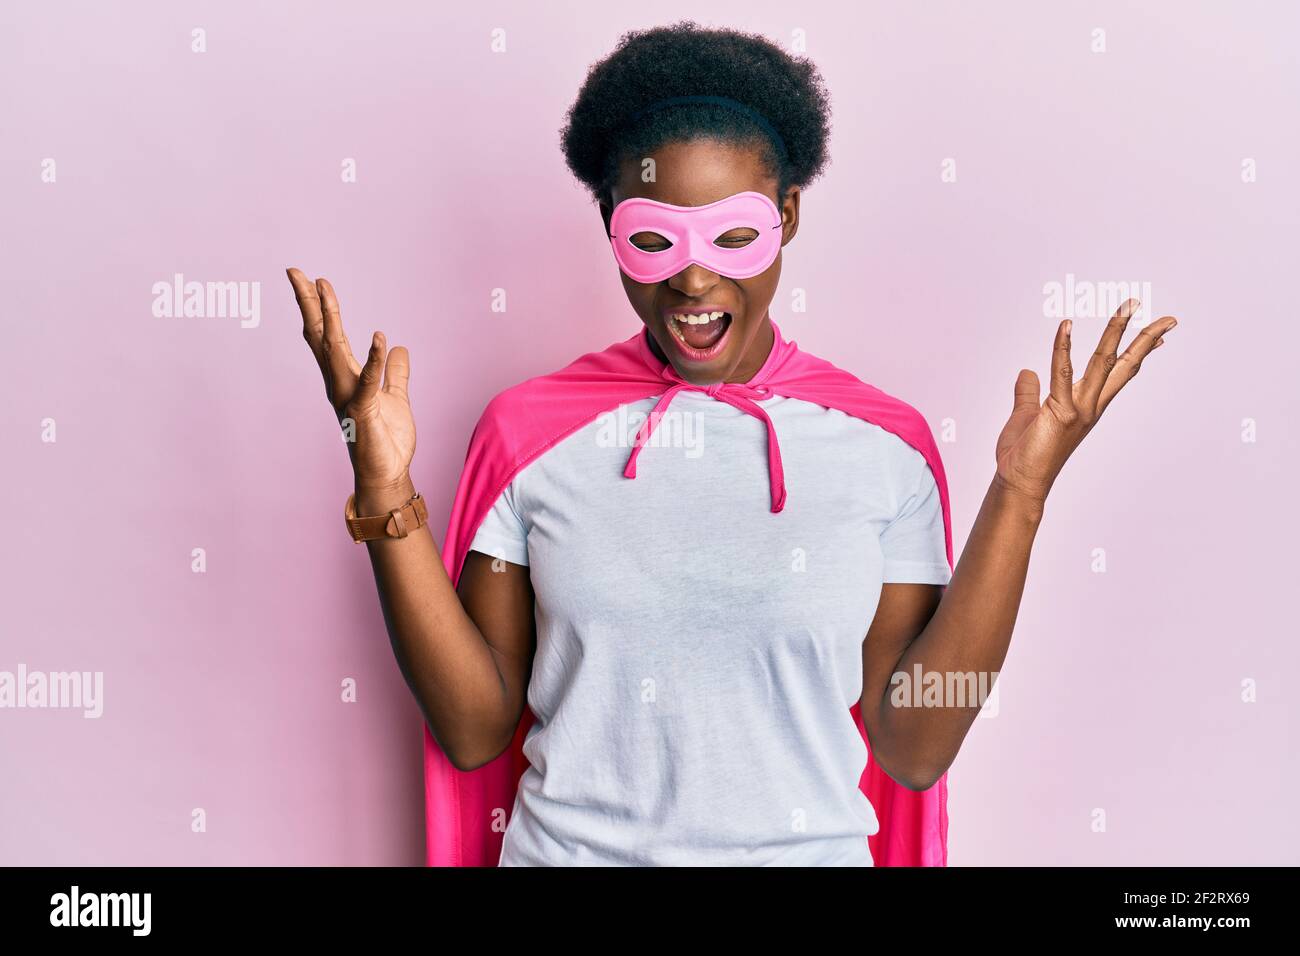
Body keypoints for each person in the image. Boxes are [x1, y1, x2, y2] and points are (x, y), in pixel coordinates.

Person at [285, 20, 1177, 866]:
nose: (695, 276)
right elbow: (475, 729)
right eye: (652, 241)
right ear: (613, 233)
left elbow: (912, 745)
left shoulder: (883, 445)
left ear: (788, 215)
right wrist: (384, 492)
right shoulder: (530, 431)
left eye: (733, 236)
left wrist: (1020, 497)